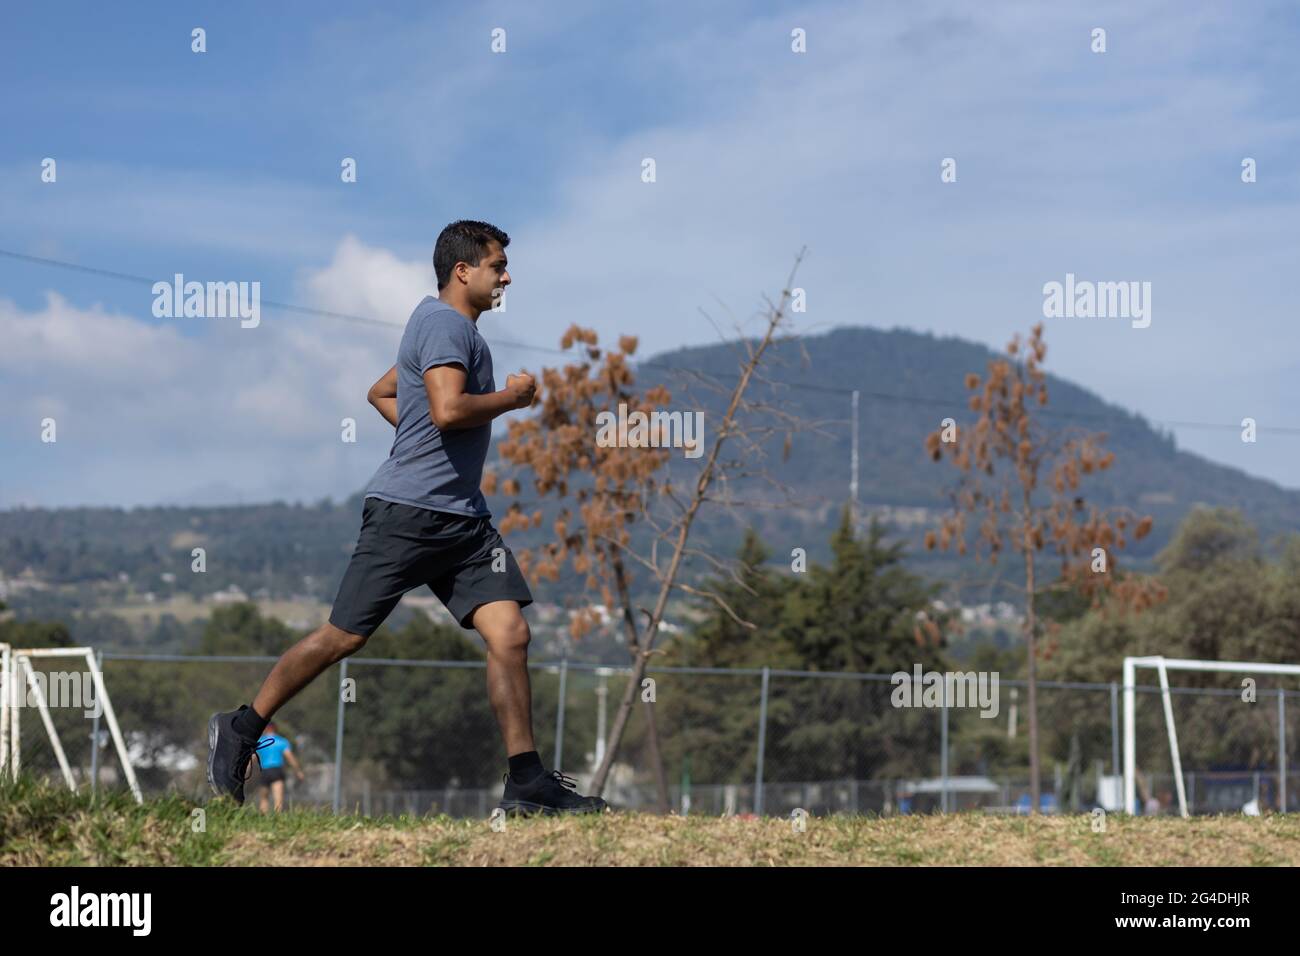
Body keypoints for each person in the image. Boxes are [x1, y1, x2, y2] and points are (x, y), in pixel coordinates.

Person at [208, 220, 607, 817]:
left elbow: (385, 392)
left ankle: (526, 781)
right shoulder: (447, 325)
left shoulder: (437, 325)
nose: (506, 275)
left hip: (464, 523)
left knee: (510, 634)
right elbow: (447, 410)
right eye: (498, 265)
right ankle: (242, 726)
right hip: (409, 514)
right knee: (343, 636)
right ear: (463, 270)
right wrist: (514, 399)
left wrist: (424, 435)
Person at [254, 723, 305, 813]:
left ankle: (262, 819)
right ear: (276, 730)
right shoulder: (281, 741)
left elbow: (252, 758)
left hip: (264, 771)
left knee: (264, 799)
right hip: (276, 771)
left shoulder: (260, 742)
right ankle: (277, 821)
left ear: (265, 730)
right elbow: (290, 757)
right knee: (278, 800)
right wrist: (298, 771)